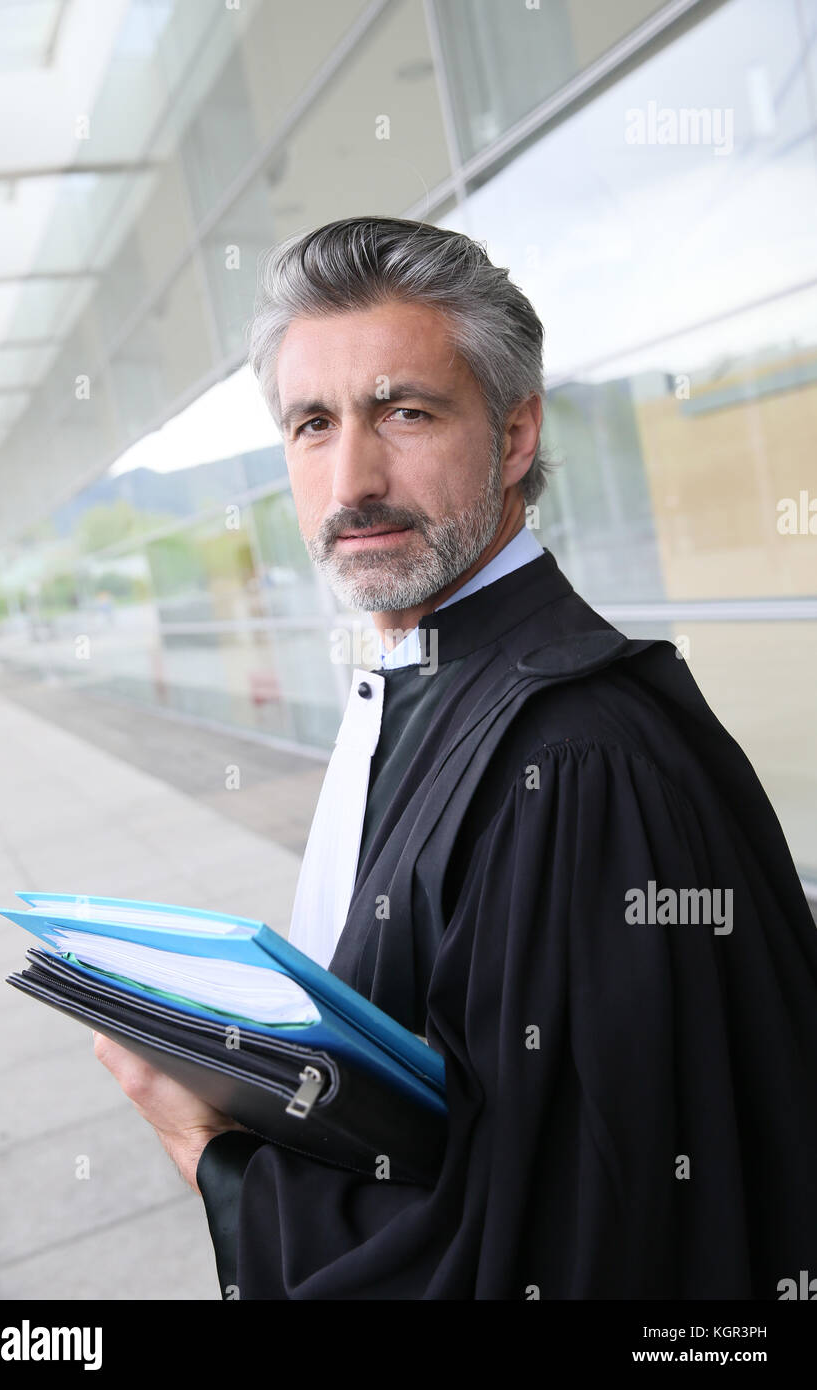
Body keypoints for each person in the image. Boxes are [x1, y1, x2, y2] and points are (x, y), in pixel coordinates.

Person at [94, 216, 817, 1300]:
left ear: (514, 436)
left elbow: (542, 1248)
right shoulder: (411, 678)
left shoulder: (573, 766)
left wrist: (209, 1151)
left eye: (404, 411)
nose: (351, 480)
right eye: (310, 424)